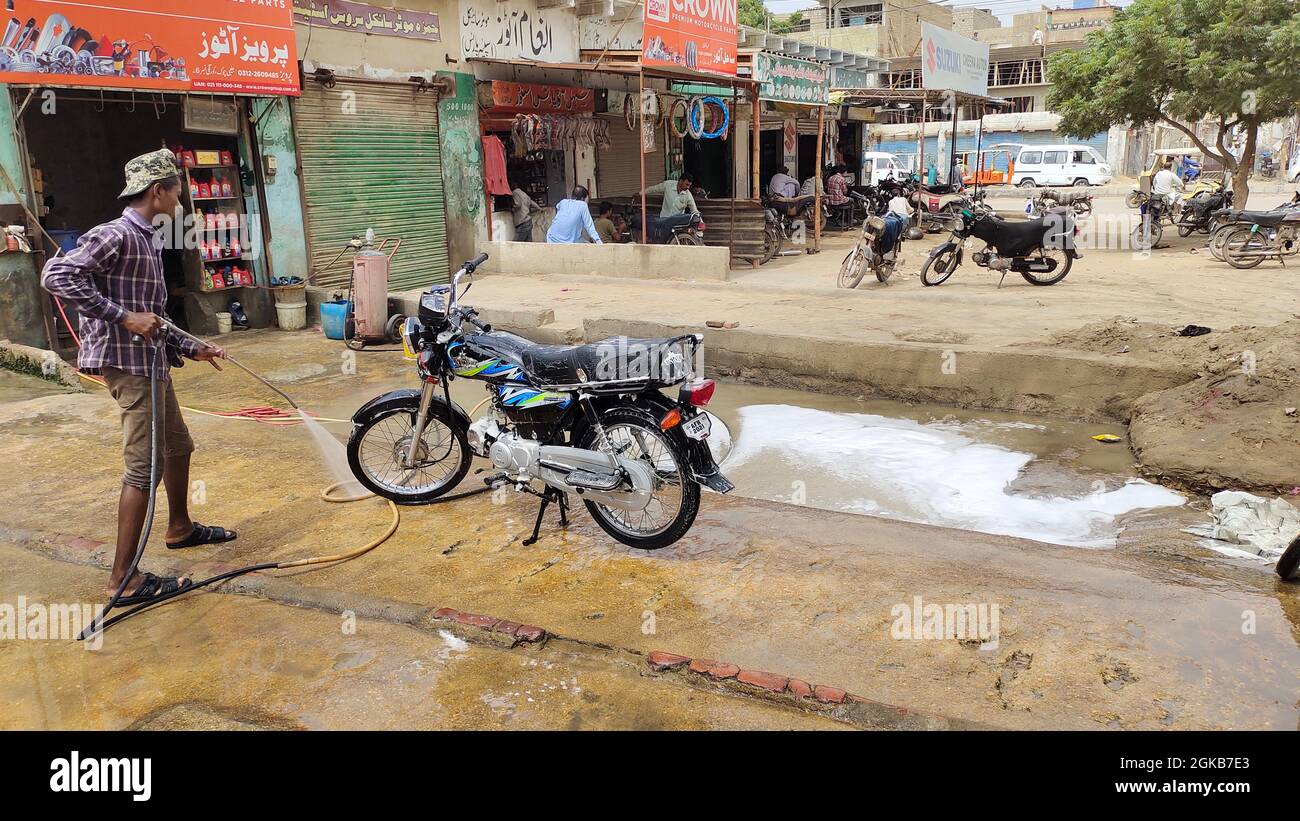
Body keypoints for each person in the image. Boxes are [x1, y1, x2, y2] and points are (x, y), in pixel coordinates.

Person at [41, 149, 230, 604]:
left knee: (179, 446)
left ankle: (180, 527)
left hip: (151, 363)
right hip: (128, 366)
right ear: (157, 191)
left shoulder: (147, 238)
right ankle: (122, 580)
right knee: (143, 469)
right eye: (176, 188)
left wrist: (192, 346)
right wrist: (122, 317)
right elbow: (56, 275)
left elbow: (155, 317)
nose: (181, 195)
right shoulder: (117, 234)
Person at [644, 173, 699, 242]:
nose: (688, 187)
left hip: (677, 223)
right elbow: (653, 189)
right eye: (687, 184)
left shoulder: (688, 195)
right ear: (681, 181)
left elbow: (694, 209)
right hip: (664, 219)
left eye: (689, 185)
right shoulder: (668, 185)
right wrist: (640, 193)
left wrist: (700, 221)